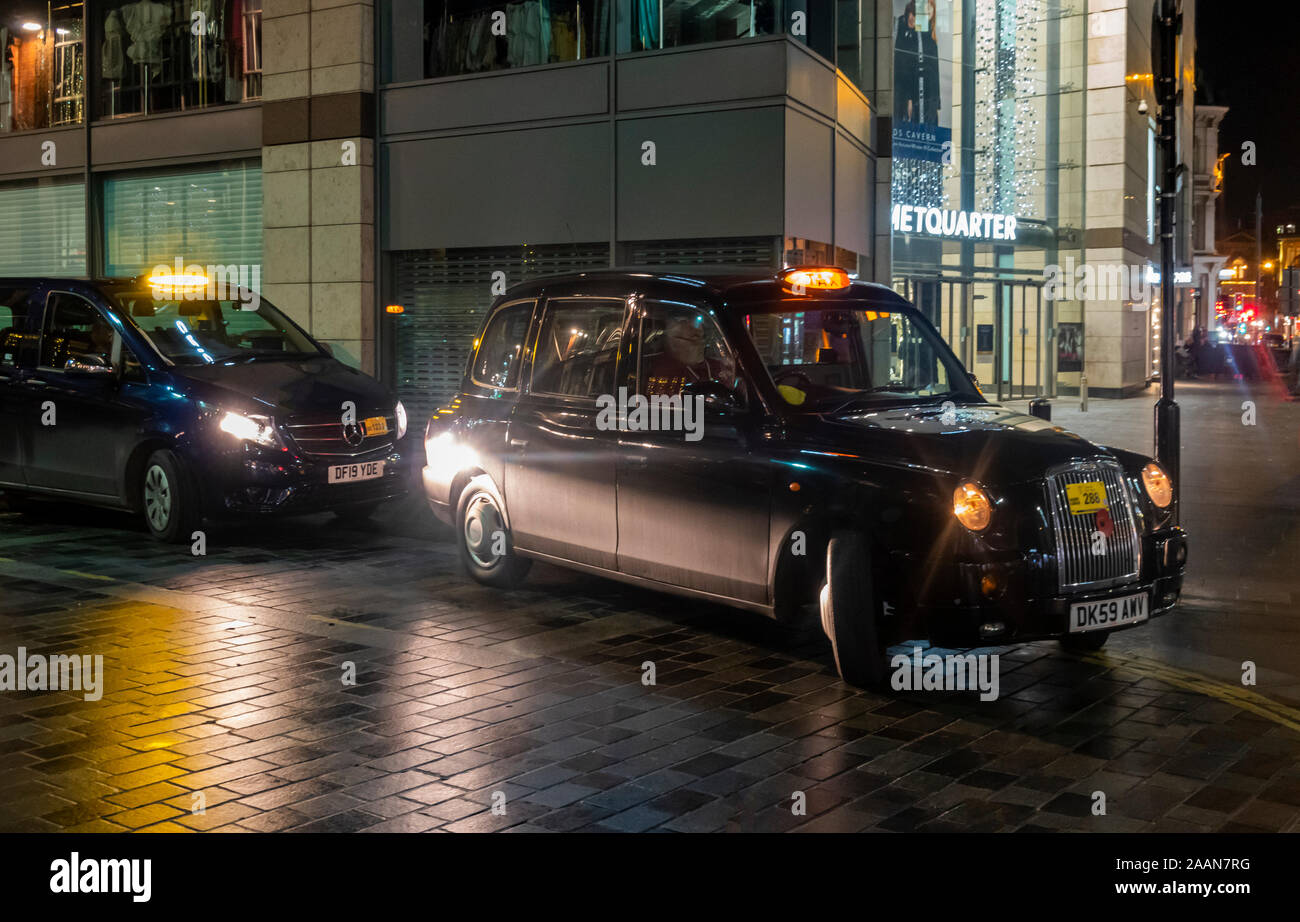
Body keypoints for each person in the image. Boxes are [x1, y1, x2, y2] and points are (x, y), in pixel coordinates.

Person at [644, 314, 734, 398]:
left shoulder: (717, 367)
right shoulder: (658, 368)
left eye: (701, 337)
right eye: (694, 338)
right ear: (672, 341)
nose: (701, 344)